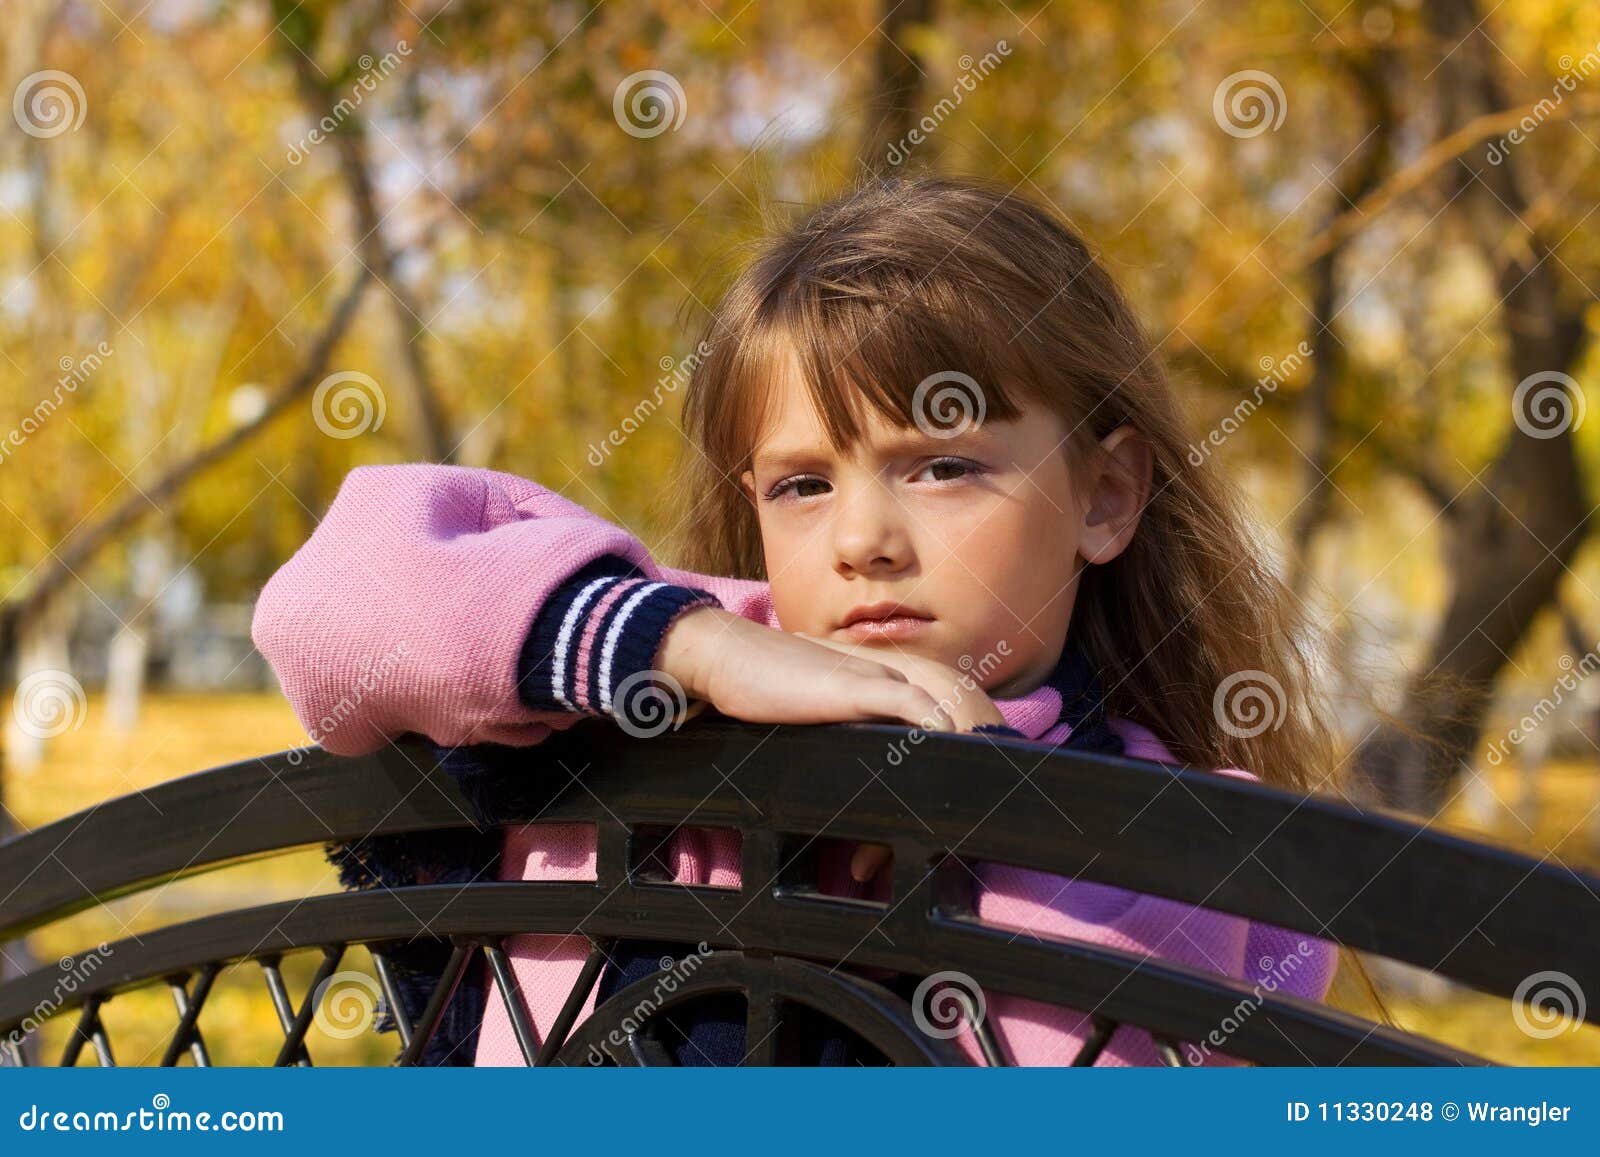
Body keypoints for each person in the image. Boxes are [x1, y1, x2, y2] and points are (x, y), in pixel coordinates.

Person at [252, 175, 1347, 1066]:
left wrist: (952, 820)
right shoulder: (653, 686)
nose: (863, 538)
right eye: (802, 485)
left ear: (1104, 498)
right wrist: (691, 647)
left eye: (945, 466)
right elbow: (321, 607)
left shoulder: (1193, 840)